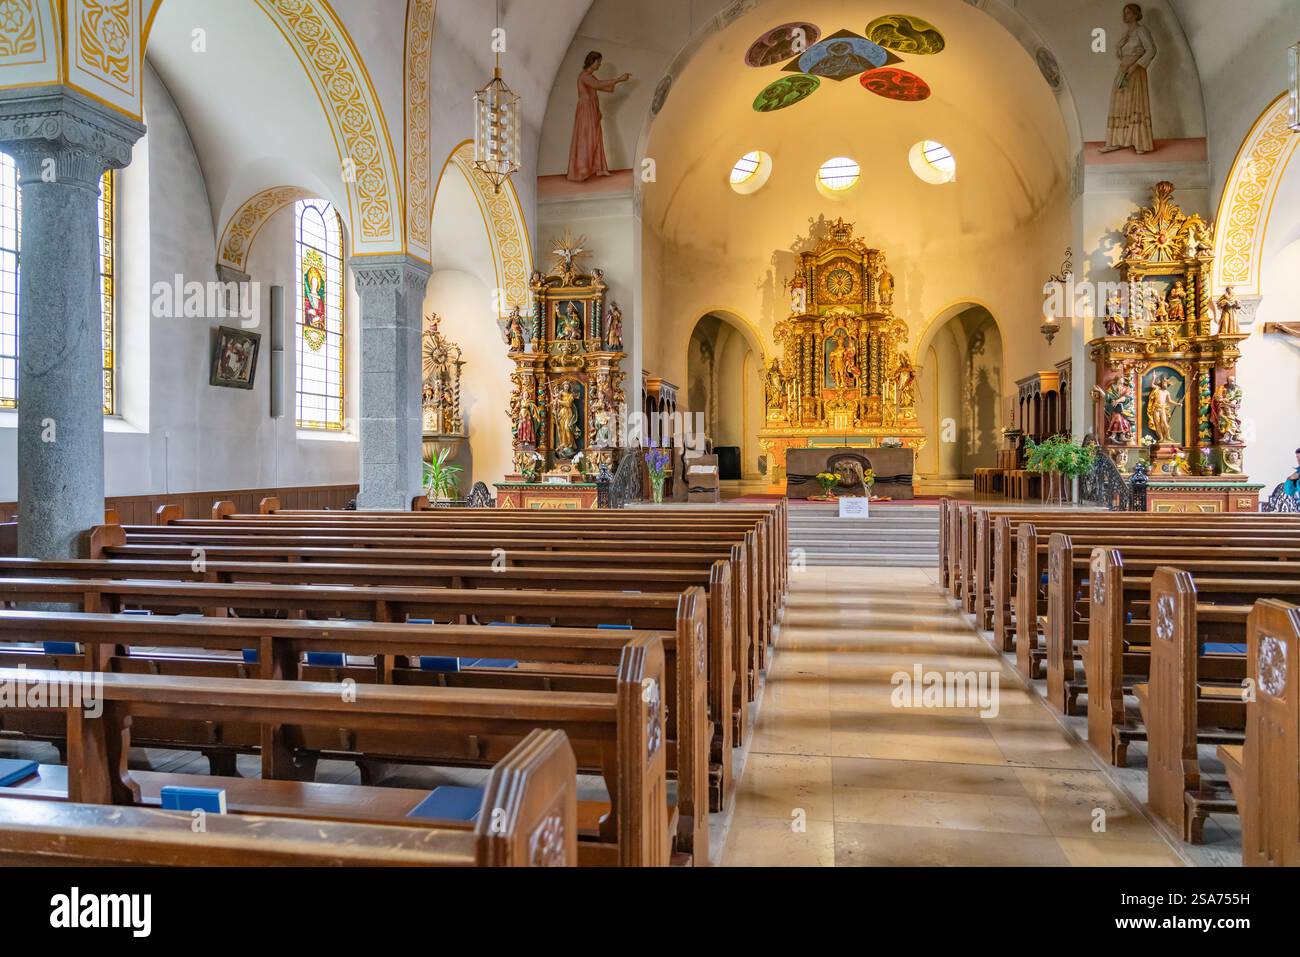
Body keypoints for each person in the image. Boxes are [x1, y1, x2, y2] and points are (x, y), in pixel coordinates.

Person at [1099, 4, 1156, 155]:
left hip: (1135, 71)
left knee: (1135, 103)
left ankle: (1140, 143)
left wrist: (1135, 66)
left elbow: (1151, 50)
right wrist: (1119, 49)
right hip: (1124, 69)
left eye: (1129, 12)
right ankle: (1116, 141)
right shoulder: (1128, 33)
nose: (1125, 15)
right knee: (1119, 103)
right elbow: (1121, 49)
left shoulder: (1141, 30)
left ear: (1136, 14)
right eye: (1125, 13)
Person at [566, 52, 630, 183]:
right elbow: (598, 85)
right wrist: (618, 79)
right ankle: (582, 170)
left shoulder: (590, 76)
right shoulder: (584, 76)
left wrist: (598, 109)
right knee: (586, 139)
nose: (599, 64)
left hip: (592, 109)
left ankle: (600, 168)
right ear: (592, 61)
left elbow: (602, 88)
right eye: (598, 62)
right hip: (586, 110)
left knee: (596, 137)